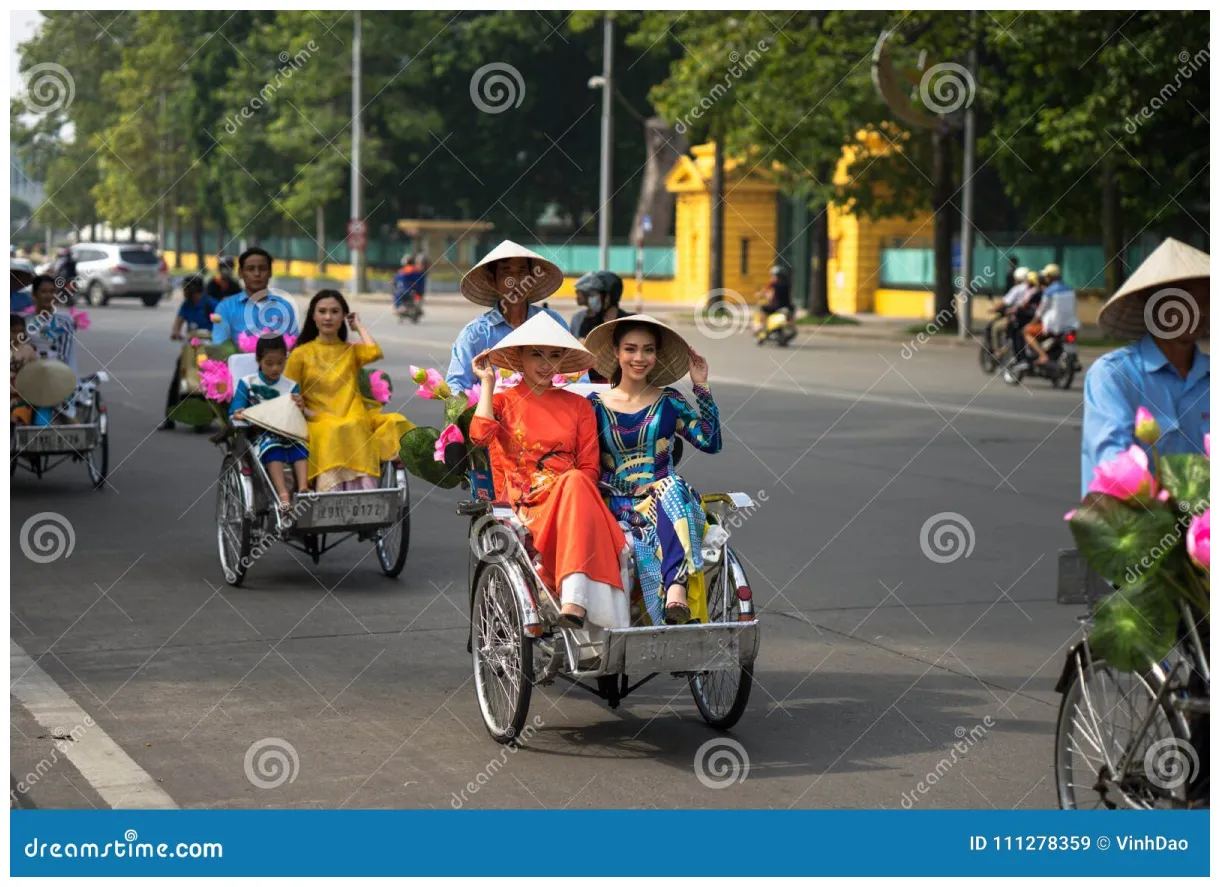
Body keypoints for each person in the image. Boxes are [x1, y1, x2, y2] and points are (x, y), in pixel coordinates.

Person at [468, 312, 630, 632]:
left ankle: (574, 599)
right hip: (525, 501)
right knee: (575, 482)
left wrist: (569, 486)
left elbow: (589, 467)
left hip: (572, 496)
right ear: (519, 358)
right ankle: (576, 595)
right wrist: (487, 383)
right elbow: (479, 436)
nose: (545, 364)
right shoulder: (501, 401)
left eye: (554, 355)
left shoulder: (579, 406)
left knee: (576, 479)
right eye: (536, 354)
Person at [584, 315, 721, 626]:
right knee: (666, 489)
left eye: (648, 350)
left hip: (668, 504)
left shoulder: (670, 400)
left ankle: (676, 591)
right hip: (614, 508)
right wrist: (624, 487)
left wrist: (701, 386)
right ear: (616, 353)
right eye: (631, 349)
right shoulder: (594, 405)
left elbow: (710, 441)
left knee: (670, 486)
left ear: (656, 355)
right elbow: (585, 464)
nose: (639, 358)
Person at [1082, 237, 1210, 499]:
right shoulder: (1114, 375)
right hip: (1136, 531)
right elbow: (1114, 462)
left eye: (1206, 300)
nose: (1198, 311)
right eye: (1185, 300)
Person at [286, 290, 413, 493]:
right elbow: (288, 390)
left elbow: (374, 351)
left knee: (392, 421)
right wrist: (301, 407)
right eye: (323, 311)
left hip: (354, 414)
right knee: (337, 429)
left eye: (335, 311)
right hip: (316, 418)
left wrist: (358, 326)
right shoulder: (300, 354)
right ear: (313, 316)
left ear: (343, 316)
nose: (328, 317)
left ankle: (367, 494)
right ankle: (332, 492)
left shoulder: (350, 350)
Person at [445, 240, 570, 393]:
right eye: (507, 273)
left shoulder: (553, 323)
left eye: (522, 272)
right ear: (492, 281)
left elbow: (575, 375)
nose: (516, 281)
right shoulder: (475, 333)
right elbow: (456, 386)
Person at [231, 335, 311, 511]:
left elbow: (296, 414)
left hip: (286, 431)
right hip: (259, 434)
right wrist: (239, 413)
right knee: (273, 447)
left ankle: (304, 488)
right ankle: (283, 494)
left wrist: (300, 406)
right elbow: (236, 409)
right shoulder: (248, 383)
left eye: (281, 363)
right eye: (269, 363)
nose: (276, 368)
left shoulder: (290, 385)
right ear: (258, 360)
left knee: (300, 445)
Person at [211, 247, 299, 345]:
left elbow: (294, 345)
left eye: (262, 269)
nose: (257, 274)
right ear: (240, 273)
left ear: (270, 272)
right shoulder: (225, 307)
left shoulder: (285, 307)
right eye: (250, 269)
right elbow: (220, 347)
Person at [1023, 263, 1078, 367]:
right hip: (1070, 325)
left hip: (1052, 326)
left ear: (1049, 277)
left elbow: (1040, 312)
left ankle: (1042, 356)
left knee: (1027, 331)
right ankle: (1074, 358)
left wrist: (1032, 322)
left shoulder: (1049, 292)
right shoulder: (1071, 289)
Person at [1007, 269, 1042, 365]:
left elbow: (1023, 305)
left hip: (1030, 320)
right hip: (1037, 319)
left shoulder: (1032, 292)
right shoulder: (1040, 291)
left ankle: (1021, 359)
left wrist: (1012, 310)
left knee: (1019, 334)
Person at [10, 314, 37, 426]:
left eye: (20, 331)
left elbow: (35, 372)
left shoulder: (28, 350)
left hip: (22, 395)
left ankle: (13, 424)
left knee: (19, 412)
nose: (18, 335)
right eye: (13, 331)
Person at [171, 276, 218, 341]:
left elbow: (222, 325)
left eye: (185, 289)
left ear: (192, 290)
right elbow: (179, 321)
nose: (183, 292)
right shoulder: (187, 305)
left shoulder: (211, 305)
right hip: (192, 343)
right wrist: (176, 332)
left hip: (211, 344)